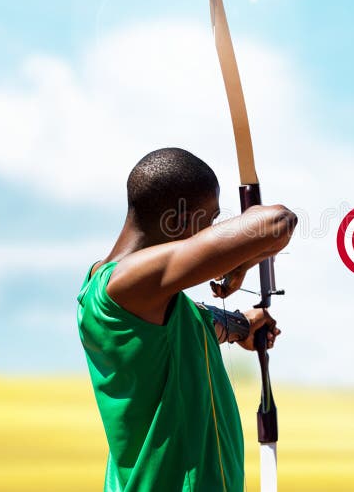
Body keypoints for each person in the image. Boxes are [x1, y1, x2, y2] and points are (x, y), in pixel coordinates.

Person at [77, 147, 297, 491]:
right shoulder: (126, 282)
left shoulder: (151, 300)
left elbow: (201, 324)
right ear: (178, 221)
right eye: (209, 220)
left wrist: (242, 325)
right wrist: (240, 260)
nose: (211, 231)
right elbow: (277, 222)